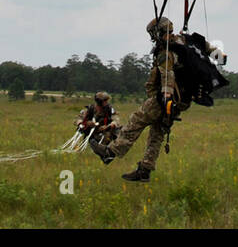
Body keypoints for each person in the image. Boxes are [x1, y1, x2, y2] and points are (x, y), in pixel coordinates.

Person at [91, 16, 225, 182]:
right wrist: (220, 56)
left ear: (159, 32)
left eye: (153, 35)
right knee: (157, 133)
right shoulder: (186, 40)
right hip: (182, 101)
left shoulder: (165, 53)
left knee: (136, 121)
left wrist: (167, 98)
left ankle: (110, 153)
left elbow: (167, 75)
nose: (153, 39)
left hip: (165, 100)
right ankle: (145, 170)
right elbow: (208, 48)